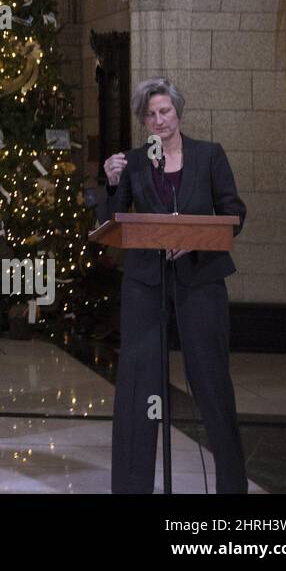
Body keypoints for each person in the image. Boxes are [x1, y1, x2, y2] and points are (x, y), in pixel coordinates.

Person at [102, 76, 248, 493]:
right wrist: (113, 184)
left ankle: (232, 486)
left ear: (178, 112)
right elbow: (113, 222)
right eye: (150, 114)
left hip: (201, 281)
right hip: (146, 283)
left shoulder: (209, 155)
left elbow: (234, 213)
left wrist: (196, 240)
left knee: (212, 381)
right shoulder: (132, 162)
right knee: (137, 385)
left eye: (164, 111)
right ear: (142, 121)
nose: (158, 119)